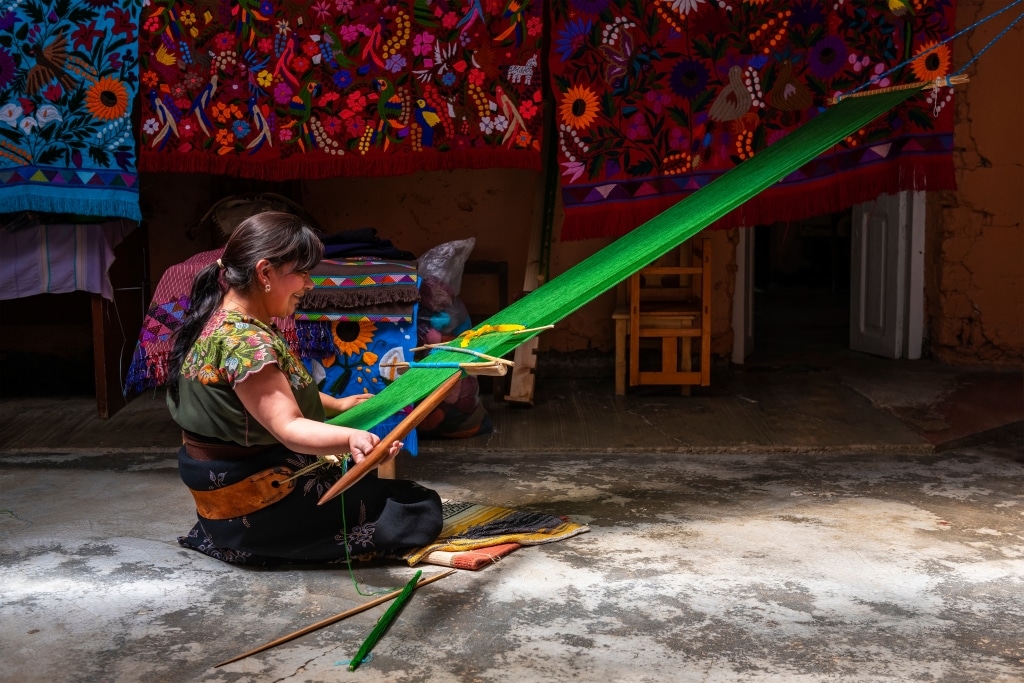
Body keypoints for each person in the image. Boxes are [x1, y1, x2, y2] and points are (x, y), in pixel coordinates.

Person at [166, 211, 443, 566]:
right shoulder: (246, 343)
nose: (310, 284)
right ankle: (264, 541)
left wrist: (338, 406)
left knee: (383, 490)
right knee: (416, 509)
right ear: (265, 273)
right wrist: (351, 439)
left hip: (226, 493)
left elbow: (275, 392)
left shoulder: (222, 321)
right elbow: (289, 428)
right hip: (259, 503)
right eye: (302, 272)